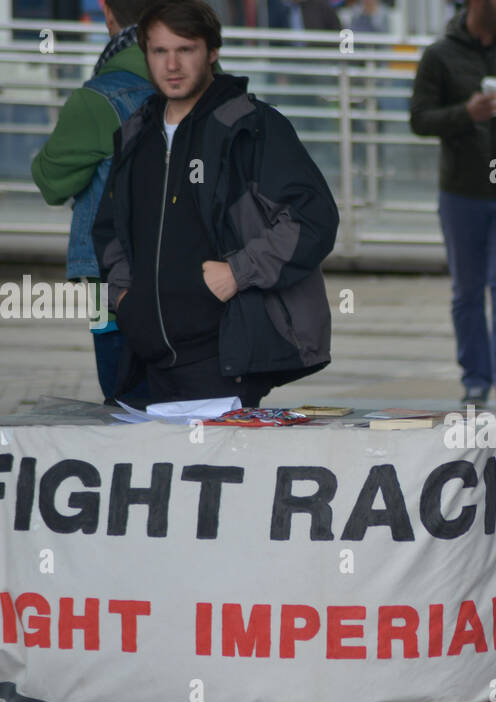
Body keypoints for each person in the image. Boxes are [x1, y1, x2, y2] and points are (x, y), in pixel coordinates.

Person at [93, 0, 339, 407]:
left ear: (212, 52)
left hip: (223, 359)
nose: (172, 64)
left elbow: (313, 218)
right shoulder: (135, 134)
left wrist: (238, 273)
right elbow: (108, 229)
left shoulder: (252, 126)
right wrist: (124, 297)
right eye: (159, 51)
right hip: (148, 358)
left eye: (185, 49)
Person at [410, 0, 496, 407]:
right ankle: (475, 378)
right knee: (468, 291)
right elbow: (419, 118)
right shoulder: (440, 54)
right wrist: (466, 113)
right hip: (462, 192)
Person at [31, 0, 157, 406]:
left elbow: (51, 180)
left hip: (111, 279)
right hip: (206, 275)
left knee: (126, 404)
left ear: (107, 12)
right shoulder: (215, 86)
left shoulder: (101, 98)